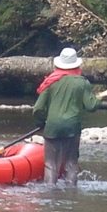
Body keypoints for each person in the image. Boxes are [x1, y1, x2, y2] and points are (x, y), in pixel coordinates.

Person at [33, 47, 101, 187]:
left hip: (52, 127)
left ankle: (50, 193)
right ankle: (71, 195)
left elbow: (38, 109)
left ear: (58, 64)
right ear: (77, 65)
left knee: (50, 164)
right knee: (71, 163)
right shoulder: (83, 83)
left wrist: (42, 122)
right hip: (72, 128)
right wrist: (98, 98)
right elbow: (91, 106)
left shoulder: (50, 82)